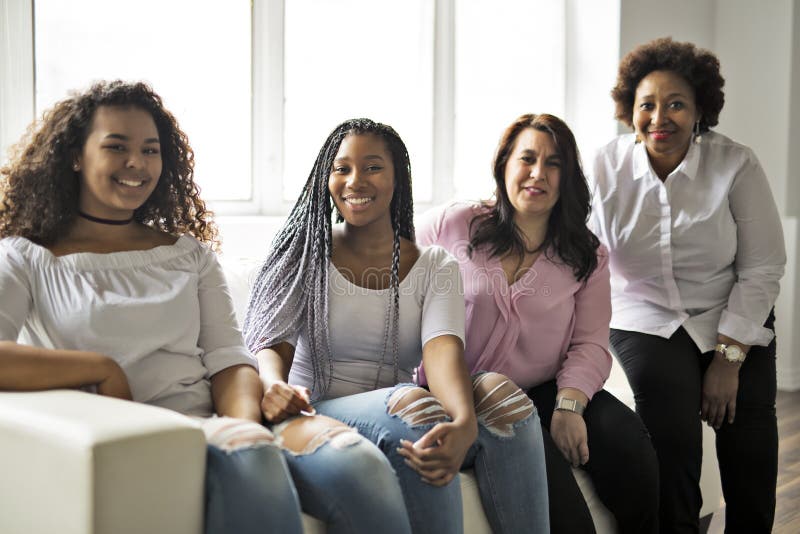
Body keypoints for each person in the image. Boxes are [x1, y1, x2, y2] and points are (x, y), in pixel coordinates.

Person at [0, 81, 411, 534]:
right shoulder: (27, 256)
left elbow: (228, 360)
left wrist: (246, 425)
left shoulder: (187, 254)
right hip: (129, 438)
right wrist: (98, 368)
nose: (136, 163)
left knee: (360, 468)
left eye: (151, 150)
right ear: (75, 155)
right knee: (256, 466)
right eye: (117, 147)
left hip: (221, 423)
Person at [244, 117, 550, 533]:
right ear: (326, 178)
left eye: (372, 167)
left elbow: (443, 349)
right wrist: (273, 385)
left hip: (399, 413)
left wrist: (463, 421)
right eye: (342, 168)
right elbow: (271, 341)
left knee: (503, 397)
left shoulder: (435, 265)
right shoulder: (306, 250)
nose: (356, 181)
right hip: (315, 408)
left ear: (397, 178)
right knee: (415, 404)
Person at [417, 113, 659, 533]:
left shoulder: (587, 255)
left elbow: (589, 343)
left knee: (626, 438)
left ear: (567, 178)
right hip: (460, 388)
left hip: (545, 389)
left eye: (553, 163)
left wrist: (569, 405)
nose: (537, 173)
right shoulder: (454, 224)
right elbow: (388, 262)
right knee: (545, 469)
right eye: (526, 159)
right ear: (504, 165)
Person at [589, 37, 786, 533]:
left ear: (700, 111)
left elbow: (762, 267)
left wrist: (728, 358)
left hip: (731, 311)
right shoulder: (604, 169)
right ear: (629, 112)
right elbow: (580, 254)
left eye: (676, 104)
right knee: (671, 429)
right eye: (647, 105)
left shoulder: (735, 165)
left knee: (749, 439)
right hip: (645, 315)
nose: (660, 118)